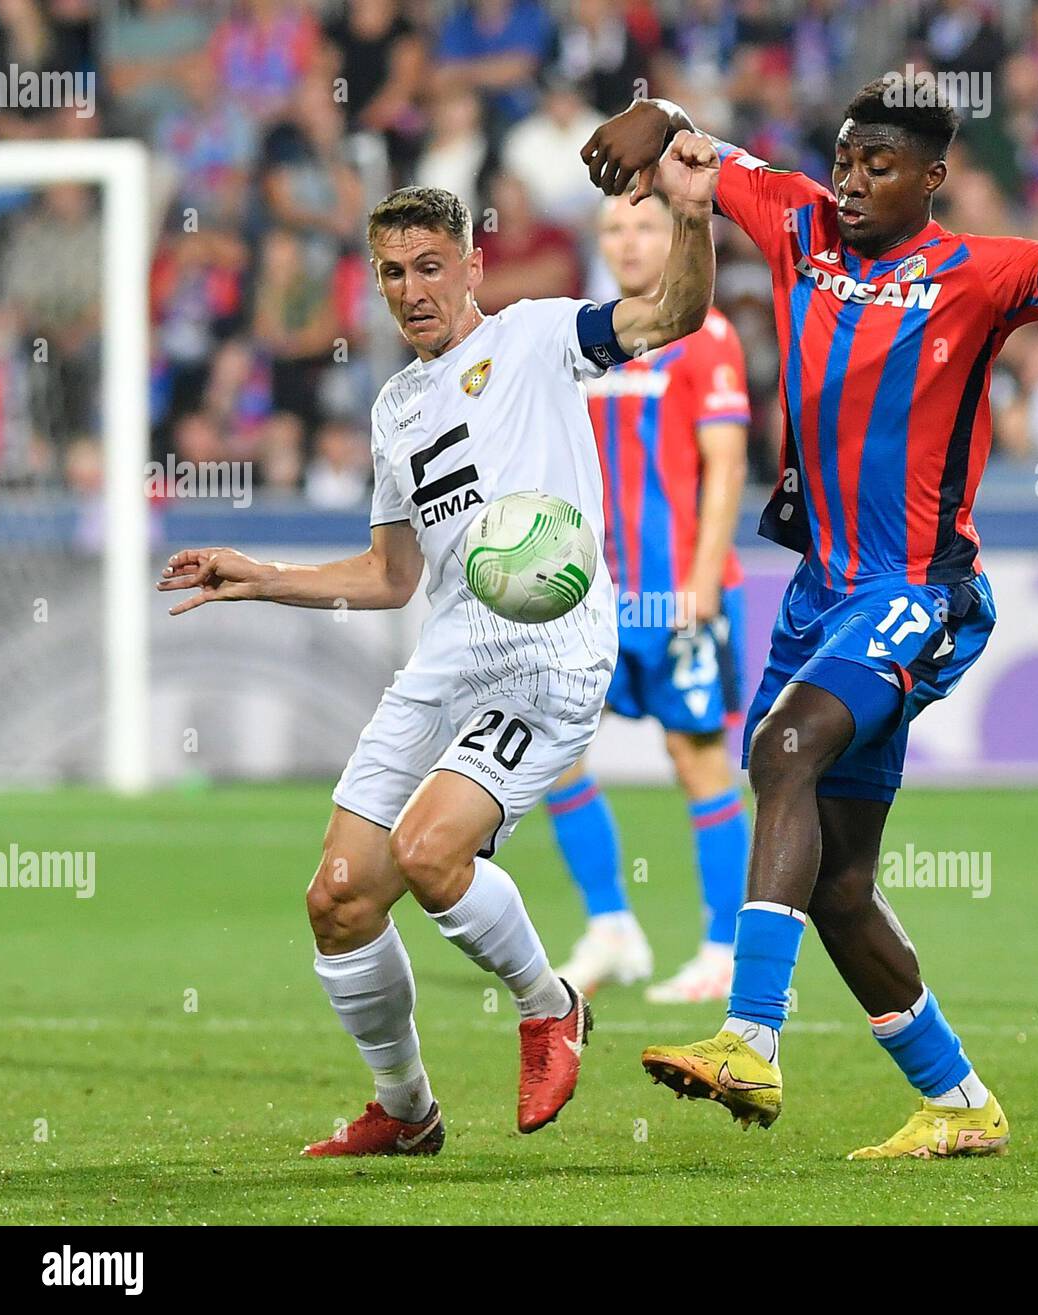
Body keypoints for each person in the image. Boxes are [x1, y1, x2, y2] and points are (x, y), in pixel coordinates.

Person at [580, 67, 1038, 1157]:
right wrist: (646, 117)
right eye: (844, 159)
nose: (848, 183)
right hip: (818, 594)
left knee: (781, 746)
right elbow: (695, 146)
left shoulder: (978, 275)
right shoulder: (799, 221)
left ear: (932, 179)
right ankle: (957, 1102)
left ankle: (749, 1036)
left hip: (918, 591)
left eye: (877, 166)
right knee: (840, 885)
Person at [155, 130, 719, 1158]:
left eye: (428, 266)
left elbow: (674, 311)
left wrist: (689, 211)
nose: (411, 289)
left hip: (547, 657)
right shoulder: (395, 411)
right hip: (447, 660)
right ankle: (407, 1111)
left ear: (471, 265)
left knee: (426, 852)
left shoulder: (543, 336)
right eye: (390, 273)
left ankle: (551, 1005)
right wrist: (260, 577)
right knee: (337, 897)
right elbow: (389, 576)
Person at [550, 190, 751, 1003]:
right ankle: (611, 926)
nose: (628, 242)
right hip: (594, 595)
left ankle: (723, 946)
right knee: (557, 751)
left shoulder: (705, 331)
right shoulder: (588, 335)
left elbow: (728, 464)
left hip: (677, 595)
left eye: (644, 226)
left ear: (674, 237)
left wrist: (702, 580)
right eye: (613, 228)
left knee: (696, 759)